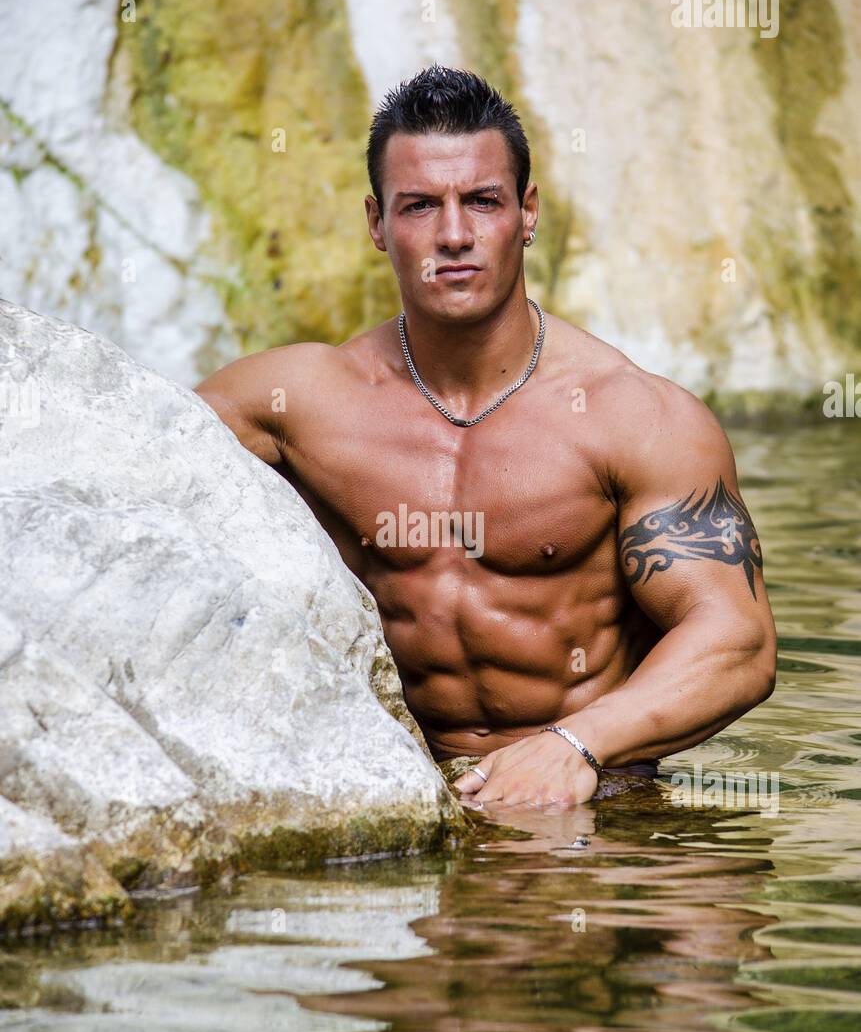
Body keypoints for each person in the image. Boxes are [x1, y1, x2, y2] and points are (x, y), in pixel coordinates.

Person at [194, 64, 777, 810]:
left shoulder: (634, 417)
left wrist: (574, 746)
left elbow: (738, 643)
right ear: (376, 223)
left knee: (705, 918)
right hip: (390, 793)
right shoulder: (290, 405)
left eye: (482, 201)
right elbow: (105, 478)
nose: (454, 234)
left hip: (592, 805)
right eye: (419, 206)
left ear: (526, 212)